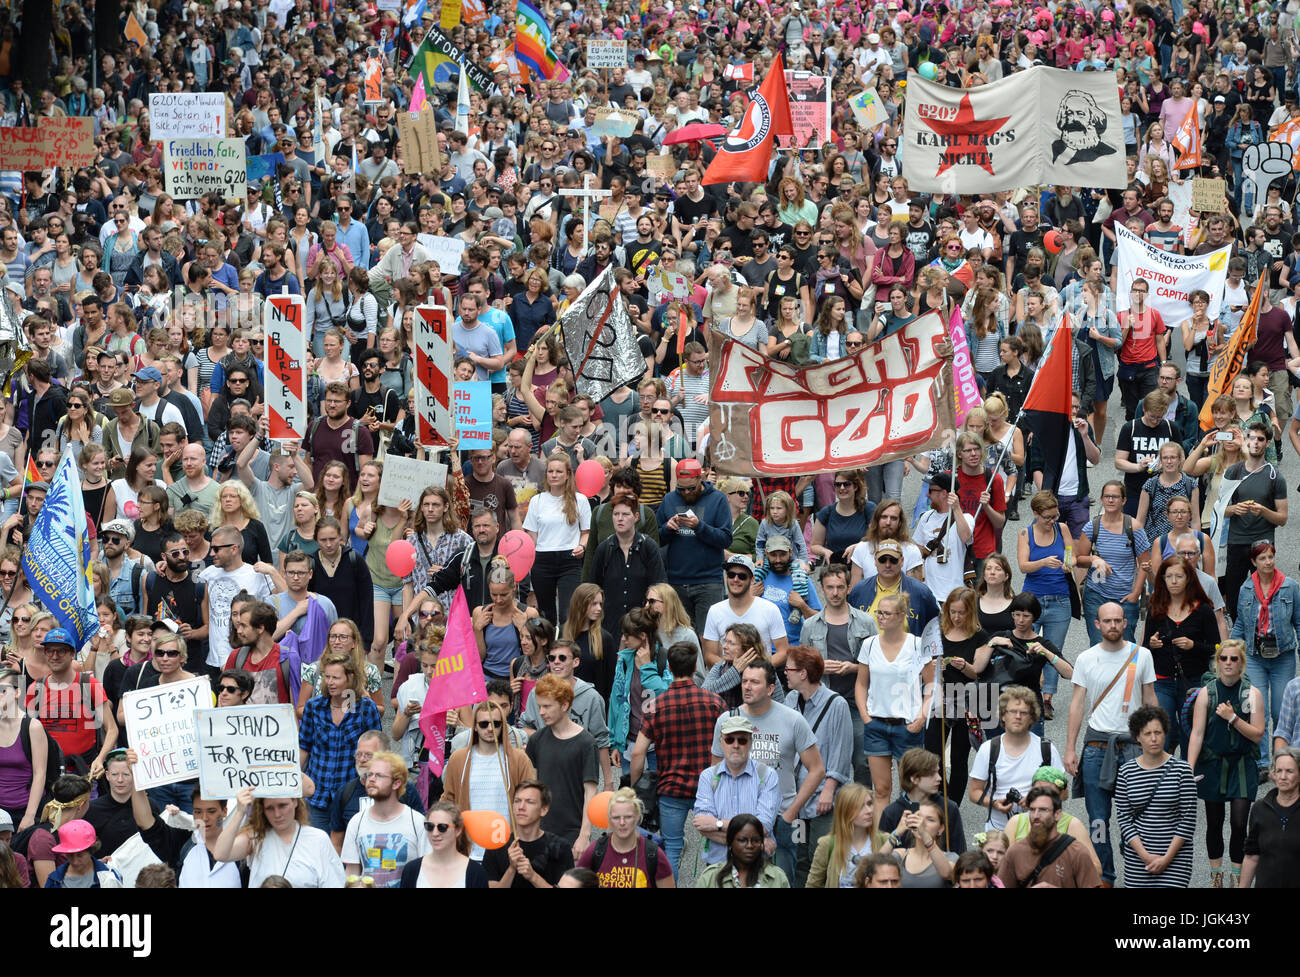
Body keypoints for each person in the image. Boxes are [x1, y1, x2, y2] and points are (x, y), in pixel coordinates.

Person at [1065, 602, 1158, 887]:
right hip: (1096, 746)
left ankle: (1136, 872)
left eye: (1118, 620)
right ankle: (1105, 877)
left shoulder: (1141, 655)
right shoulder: (1085, 658)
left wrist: (1157, 741)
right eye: (1108, 621)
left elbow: (1151, 698)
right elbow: (1078, 704)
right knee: (1098, 820)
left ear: (1125, 623)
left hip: (1133, 746)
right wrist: (1070, 748)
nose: (1114, 625)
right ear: (1097, 624)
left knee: (1137, 816)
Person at [709, 660, 824, 883]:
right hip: (739, 817)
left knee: (781, 880)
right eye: (744, 681)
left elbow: (817, 770)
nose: (747, 687)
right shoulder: (727, 720)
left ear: (771, 689)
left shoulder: (793, 720)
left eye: (754, 682)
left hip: (782, 818)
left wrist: (792, 811)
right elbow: (715, 771)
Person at [627, 641, 725, 878]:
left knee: (671, 847)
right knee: (719, 846)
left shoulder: (655, 706)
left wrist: (635, 785)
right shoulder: (714, 702)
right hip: (708, 787)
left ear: (669, 667)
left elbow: (639, 752)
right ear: (694, 668)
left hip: (671, 788)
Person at [1186, 638, 1266, 888]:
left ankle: (1236, 874)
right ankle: (1216, 876)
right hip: (1213, 764)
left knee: (1240, 822)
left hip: (1242, 765)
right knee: (1214, 821)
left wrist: (1232, 718)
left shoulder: (1252, 693)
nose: (1228, 663)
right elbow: (1197, 734)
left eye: (1234, 659)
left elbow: (1257, 733)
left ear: (1241, 663)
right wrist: (1188, 768)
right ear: (1217, 663)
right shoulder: (1206, 693)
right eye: (1224, 658)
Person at [855, 592, 934, 813]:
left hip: (907, 726)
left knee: (911, 791)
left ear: (901, 616)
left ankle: (908, 842)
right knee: (880, 790)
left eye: (886, 614)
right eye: (879, 612)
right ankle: (881, 843)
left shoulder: (918, 645)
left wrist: (921, 717)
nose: (880, 617)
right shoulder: (869, 645)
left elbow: (932, 686)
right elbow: (861, 684)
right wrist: (865, 716)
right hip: (876, 724)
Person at [782, 644, 853, 885]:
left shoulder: (837, 705)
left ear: (803, 673)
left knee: (820, 856)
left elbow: (841, 752)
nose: (785, 672)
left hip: (823, 799)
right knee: (799, 856)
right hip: (797, 798)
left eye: (789, 668)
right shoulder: (790, 699)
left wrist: (830, 789)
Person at [1229, 540, 1300, 769]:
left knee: (1281, 711)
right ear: (1254, 562)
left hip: (1283, 656)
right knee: (1258, 709)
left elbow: (1298, 621)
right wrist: (1229, 649)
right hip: (1255, 656)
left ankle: (1282, 759)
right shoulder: (1246, 588)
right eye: (1263, 558)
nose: (1268, 562)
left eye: (1271, 557)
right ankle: (1261, 762)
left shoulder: (1290, 586)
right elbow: (1240, 622)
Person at [1114, 705, 1198, 888]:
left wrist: (1167, 858)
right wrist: (1144, 855)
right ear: (1138, 737)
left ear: (1165, 733)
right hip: (1138, 859)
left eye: (1158, 733)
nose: (1153, 739)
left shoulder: (1182, 770)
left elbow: (1188, 820)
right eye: (1147, 733)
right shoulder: (1126, 772)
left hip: (1176, 858)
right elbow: (1124, 818)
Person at [298, 651, 382, 832]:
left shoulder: (365, 708)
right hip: (318, 794)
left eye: (335, 677)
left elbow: (377, 753)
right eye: (326, 677)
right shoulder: (314, 706)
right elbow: (304, 747)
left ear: (350, 678)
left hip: (351, 795)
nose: (329, 682)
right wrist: (292, 779)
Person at [441, 700, 535, 859]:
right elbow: (448, 800)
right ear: (475, 727)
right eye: (484, 724)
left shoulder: (519, 759)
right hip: (468, 851)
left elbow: (531, 801)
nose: (490, 728)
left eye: (496, 723)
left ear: (503, 725)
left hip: (507, 851)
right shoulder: (459, 759)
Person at [1143, 556, 1218, 755]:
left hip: (1193, 681)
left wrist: (1194, 645)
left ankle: (1188, 777)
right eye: (1169, 576)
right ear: (1163, 580)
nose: (1174, 581)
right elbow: (1143, 648)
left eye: (1179, 576)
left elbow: (1216, 646)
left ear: (1188, 579)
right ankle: (1161, 780)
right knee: (1161, 733)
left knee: (1191, 735)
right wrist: (1151, 644)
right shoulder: (1155, 608)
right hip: (1162, 681)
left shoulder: (1203, 610)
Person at [24, 627, 118, 780]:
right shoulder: (35, 689)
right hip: (48, 773)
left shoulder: (90, 685)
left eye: (61, 651)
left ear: (72, 653)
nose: (55, 656)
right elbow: (27, 735)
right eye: (49, 651)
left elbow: (112, 729)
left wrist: (100, 759)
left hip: (85, 772)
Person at [523, 673, 599, 859]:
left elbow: (590, 792)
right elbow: (530, 787)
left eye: (547, 706)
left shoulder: (586, 743)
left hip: (572, 833)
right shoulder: (537, 740)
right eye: (540, 706)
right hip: (539, 831)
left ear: (564, 705)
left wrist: (584, 835)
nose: (541, 712)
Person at [214, 787, 345, 888]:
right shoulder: (256, 837)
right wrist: (240, 812)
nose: (277, 814)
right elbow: (220, 854)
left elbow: (335, 883)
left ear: (295, 801)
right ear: (262, 810)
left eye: (282, 805)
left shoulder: (318, 839)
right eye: (270, 808)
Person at [657, 458, 732, 633]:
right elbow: (657, 539)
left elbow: (726, 539)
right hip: (677, 582)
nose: (686, 493)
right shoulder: (669, 499)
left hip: (708, 582)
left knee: (709, 638)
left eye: (691, 488)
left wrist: (700, 527)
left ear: (701, 478)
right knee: (680, 640)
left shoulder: (718, 499)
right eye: (681, 489)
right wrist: (668, 529)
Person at [1074, 480, 1152, 645]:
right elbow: (1079, 559)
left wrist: (1135, 594)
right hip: (1096, 595)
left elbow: (1145, 564)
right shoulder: (1092, 527)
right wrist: (1094, 559)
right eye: (1107, 496)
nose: (1110, 500)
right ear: (1101, 499)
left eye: (1115, 497)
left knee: (1126, 646)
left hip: (1125, 597)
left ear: (1123, 500)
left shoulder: (1134, 527)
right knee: (1098, 646)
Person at [339, 751, 429, 888]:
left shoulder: (417, 822)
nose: (372, 779)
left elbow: (427, 871)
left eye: (379, 775)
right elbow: (352, 873)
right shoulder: (356, 822)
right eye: (370, 774)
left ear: (396, 783)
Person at [1220, 423, 1287, 605]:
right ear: (1246, 441)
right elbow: (1219, 510)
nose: (1256, 443)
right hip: (1236, 542)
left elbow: (1282, 519)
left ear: (1267, 444)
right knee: (1234, 599)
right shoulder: (1233, 472)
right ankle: (1238, 632)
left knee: (1265, 599)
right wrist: (1233, 509)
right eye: (1252, 438)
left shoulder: (1275, 477)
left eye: (1261, 439)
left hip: (1263, 544)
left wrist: (1264, 511)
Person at [998, 785, 1102, 888]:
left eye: (1043, 810)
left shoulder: (1077, 852)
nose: (1036, 815)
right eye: (1032, 810)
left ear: (1057, 814)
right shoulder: (1015, 852)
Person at [576, 787, 674, 888]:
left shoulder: (653, 854)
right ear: (609, 819)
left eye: (628, 817)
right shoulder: (596, 851)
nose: (622, 823)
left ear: (637, 817)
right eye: (616, 818)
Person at [805, 783, 895, 889]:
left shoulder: (884, 840)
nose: (869, 811)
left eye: (870, 804)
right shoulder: (827, 844)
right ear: (845, 811)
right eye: (861, 807)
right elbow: (813, 884)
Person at [878, 747, 966, 854]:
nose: (939, 778)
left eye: (938, 772)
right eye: (932, 774)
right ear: (914, 778)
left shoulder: (949, 808)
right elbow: (881, 858)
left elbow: (960, 853)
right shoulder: (891, 813)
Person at [1240, 747, 1300, 889]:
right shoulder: (1260, 809)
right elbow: (1251, 856)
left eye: (1289, 771)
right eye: (1278, 771)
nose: (1283, 776)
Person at [695, 813, 790, 888]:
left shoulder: (777, 877)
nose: (749, 845)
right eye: (742, 840)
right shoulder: (711, 877)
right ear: (730, 842)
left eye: (755, 840)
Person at [894, 798, 957, 888]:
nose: (922, 823)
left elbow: (946, 873)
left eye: (930, 820)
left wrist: (925, 835)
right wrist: (896, 833)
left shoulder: (951, 858)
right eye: (918, 818)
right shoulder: (901, 855)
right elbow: (875, 866)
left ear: (940, 829)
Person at [41, 820, 122, 888]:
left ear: (91, 850)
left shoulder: (109, 877)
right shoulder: (54, 880)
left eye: (80, 855)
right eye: (70, 855)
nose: (75, 861)